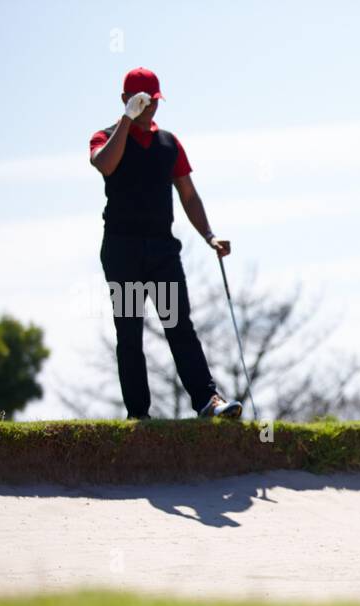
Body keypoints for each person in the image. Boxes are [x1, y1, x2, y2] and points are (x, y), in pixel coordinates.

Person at [89, 67, 243, 419]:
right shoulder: (106, 136)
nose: (149, 109)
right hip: (122, 250)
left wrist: (209, 236)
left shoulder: (169, 143)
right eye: (141, 102)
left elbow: (188, 195)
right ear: (126, 100)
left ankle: (208, 400)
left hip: (161, 251)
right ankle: (138, 414)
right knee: (129, 331)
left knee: (178, 325)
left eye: (154, 101)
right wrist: (125, 122)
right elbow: (106, 165)